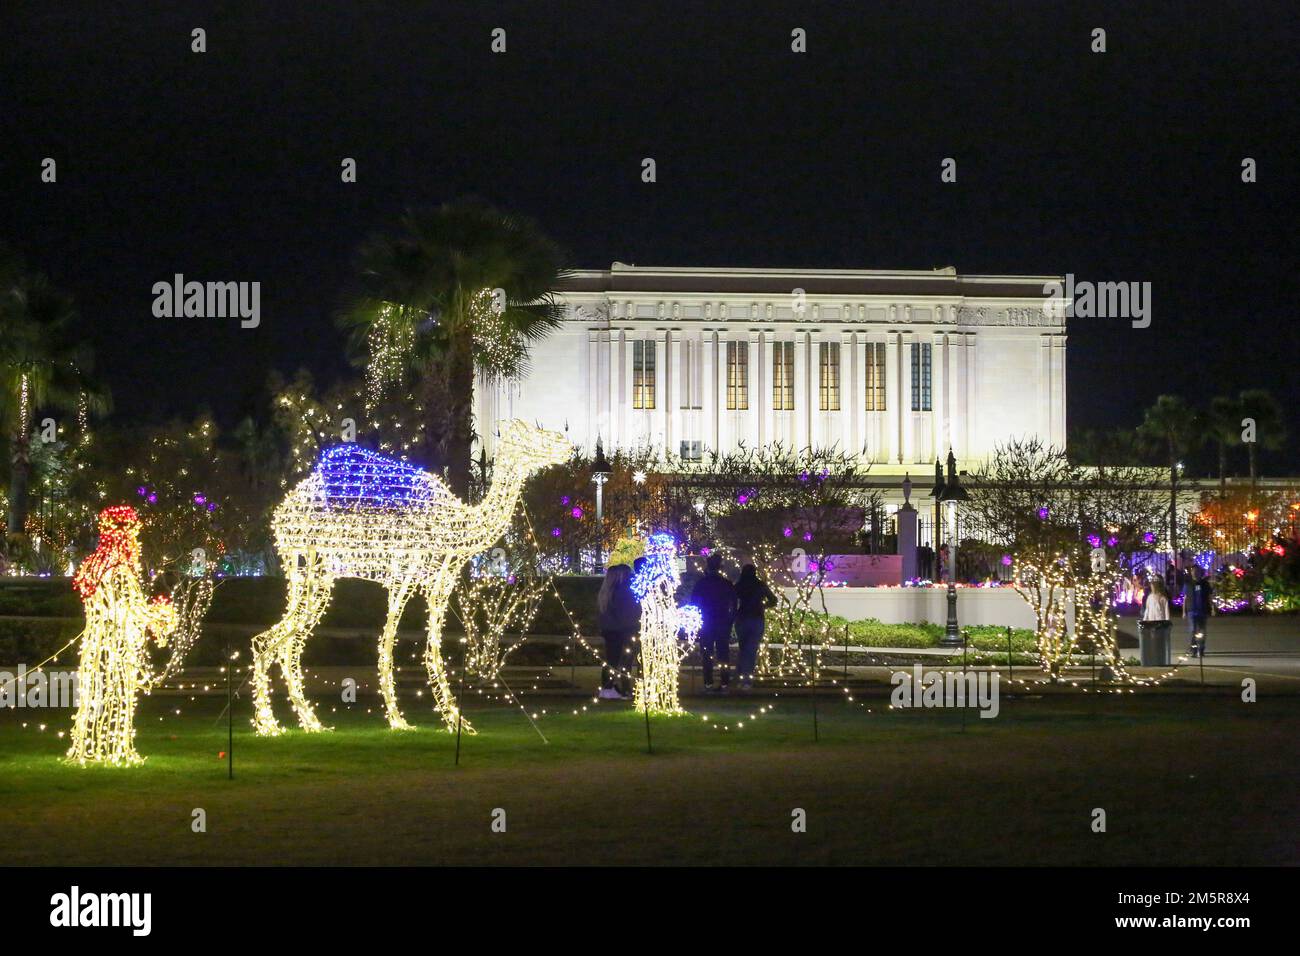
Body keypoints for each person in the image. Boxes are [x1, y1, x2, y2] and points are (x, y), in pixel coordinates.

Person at [689, 552, 737, 692]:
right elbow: (733, 603)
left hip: (706, 622)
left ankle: (708, 682)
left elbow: (694, 603)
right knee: (723, 653)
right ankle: (724, 682)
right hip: (722, 621)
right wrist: (731, 619)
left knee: (707, 653)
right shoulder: (726, 583)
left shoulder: (701, 584)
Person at [596, 563, 639, 699]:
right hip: (622, 629)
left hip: (610, 630)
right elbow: (627, 612)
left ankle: (608, 687)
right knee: (623, 660)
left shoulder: (607, 591)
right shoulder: (622, 590)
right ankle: (620, 689)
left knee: (612, 659)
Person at [733, 563, 777, 689]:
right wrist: (763, 606)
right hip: (757, 618)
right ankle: (747, 679)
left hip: (742, 618)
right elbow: (773, 600)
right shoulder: (760, 585)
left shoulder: (739, 585)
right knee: (751, 649)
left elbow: (732, 600)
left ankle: (741, 676)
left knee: (743, 648)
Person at [1139, 575, 1172, 665]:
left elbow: (1166, 611)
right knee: (1151, 640)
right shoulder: (1150, 597)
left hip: (1160, 621)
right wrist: (1145, 620)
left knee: (1159, 640)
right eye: (1151, 586)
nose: (1152, 587)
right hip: (1150, 622)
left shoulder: (1162, 598)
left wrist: (1167, 621)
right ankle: (1152, 656)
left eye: (1153, 586)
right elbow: (1147, 609)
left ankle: (1159, 657)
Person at [1184, 565, 1213, 658]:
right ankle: (1193, 649)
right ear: (1191, 572)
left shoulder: (1205, 584)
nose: (1195, 573)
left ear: (1200, 572)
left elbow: (1209, 597)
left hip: (1202, 610)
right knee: (1193, 631)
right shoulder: (1188, 584)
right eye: (1193, 571)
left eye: (1197, 571)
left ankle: (1201, 649)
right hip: (1192, 610)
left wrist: (1212, 608)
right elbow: (1185, 598)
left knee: (1202, 631)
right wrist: (1184, 611)